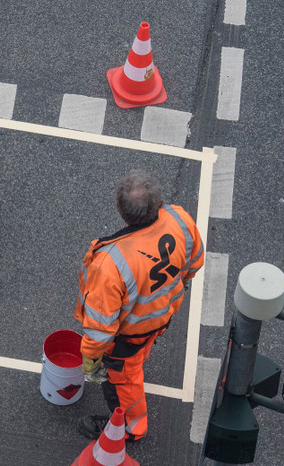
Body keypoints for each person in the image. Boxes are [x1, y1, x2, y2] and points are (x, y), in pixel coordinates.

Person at [75, 170, 204, 442]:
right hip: (161, 316)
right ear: (158, 203)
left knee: (123, 381)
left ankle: (131, 428)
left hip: (129, 338)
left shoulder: (110, 264)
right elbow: (195, 260)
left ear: (119, 208)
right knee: (139, 356)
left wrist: (90, 360)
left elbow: (100, 329)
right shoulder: (179, 218)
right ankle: (138, 363)